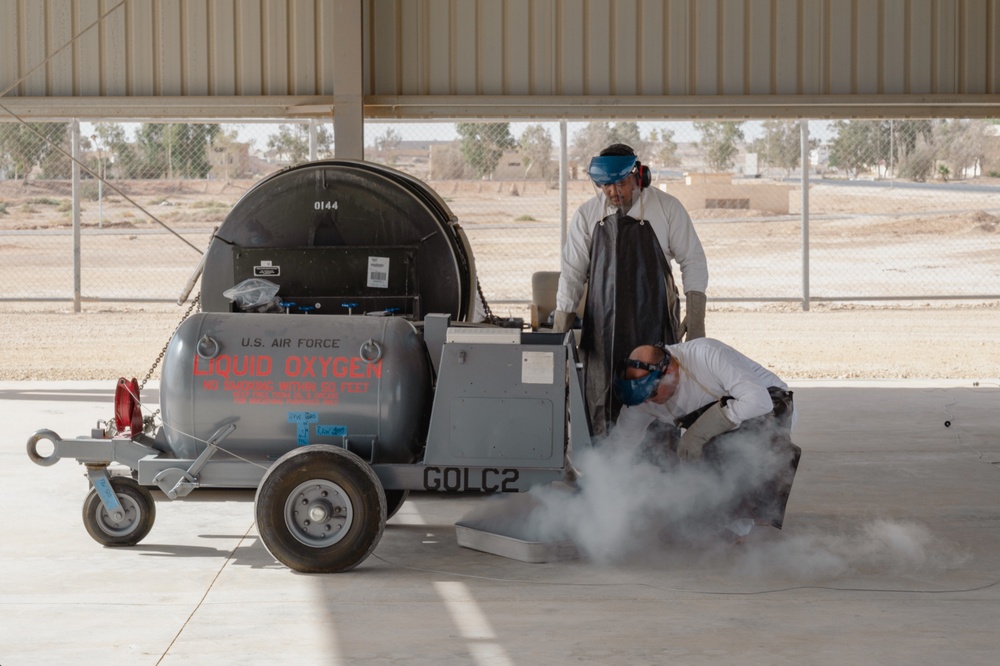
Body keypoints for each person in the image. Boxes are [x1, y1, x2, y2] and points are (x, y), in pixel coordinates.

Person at [552, 143, 709, 438]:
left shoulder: (667, 208)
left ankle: (660, 461)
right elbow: (572, 273)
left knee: (657, 391)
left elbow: (693, 260)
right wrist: (561, 324)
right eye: (606, 186)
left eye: (621, 183)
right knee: (603, 397)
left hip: (655, 321)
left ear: (639, 176)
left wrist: (696, 315)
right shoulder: (587, 215)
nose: (614, 192)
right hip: (603, 328)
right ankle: (604, 461)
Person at [612, 339, 801, 540]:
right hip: (722, 430)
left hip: (770, 410)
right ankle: (716, 515)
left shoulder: (708, 355)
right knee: (692, 467)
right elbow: (621, 446)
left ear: (670, 372)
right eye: (641, 398)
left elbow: (759, 401)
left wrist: (699, 432)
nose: (647, 401)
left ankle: (739, 524)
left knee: (738, 448)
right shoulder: (643, 402)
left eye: (651, 394)